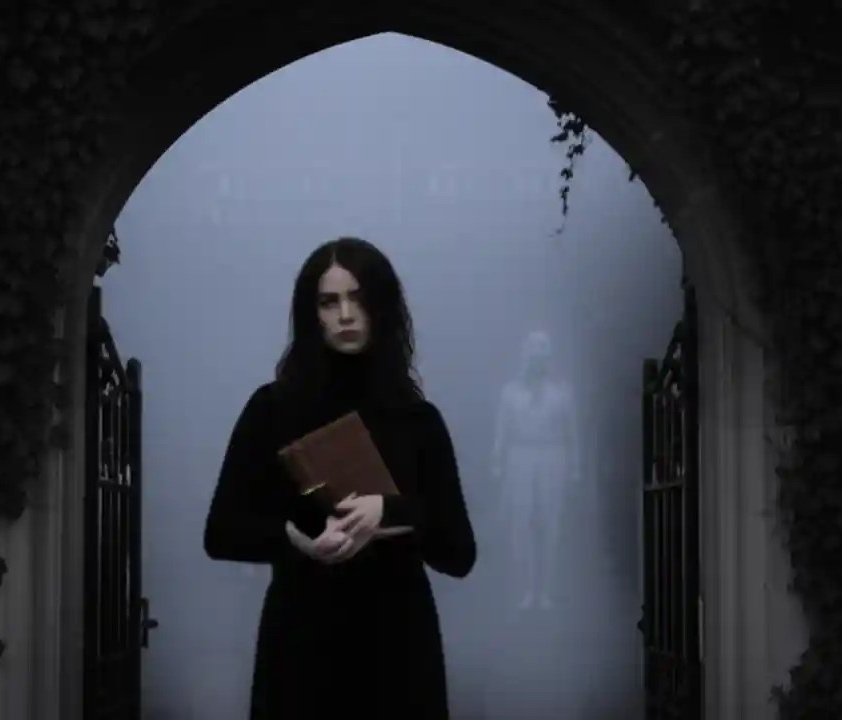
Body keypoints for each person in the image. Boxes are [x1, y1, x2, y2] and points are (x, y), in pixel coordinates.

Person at [203, 236, 477, 720]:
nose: (346, 314)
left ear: (383, 308)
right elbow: (222, 532)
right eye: (330, 302)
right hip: (301, 640)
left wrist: (386, 512)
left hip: (398, 647)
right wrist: (297, 540)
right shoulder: (273, 409)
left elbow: (459, 552)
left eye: (359, 298)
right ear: (312, 314)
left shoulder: (418, 419)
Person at [490, 330, 582, 610]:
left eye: (541, 356)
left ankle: (546, 591)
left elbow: (572, 433)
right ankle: (527, 590)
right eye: (532, 356)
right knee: (522, 525)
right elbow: (501, 431)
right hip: (521, 456)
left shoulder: (563, 392)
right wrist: (498, 462)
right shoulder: (510, 392)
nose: (537, 361)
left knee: (550, 525)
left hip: (554, 455)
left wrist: (575, 467)